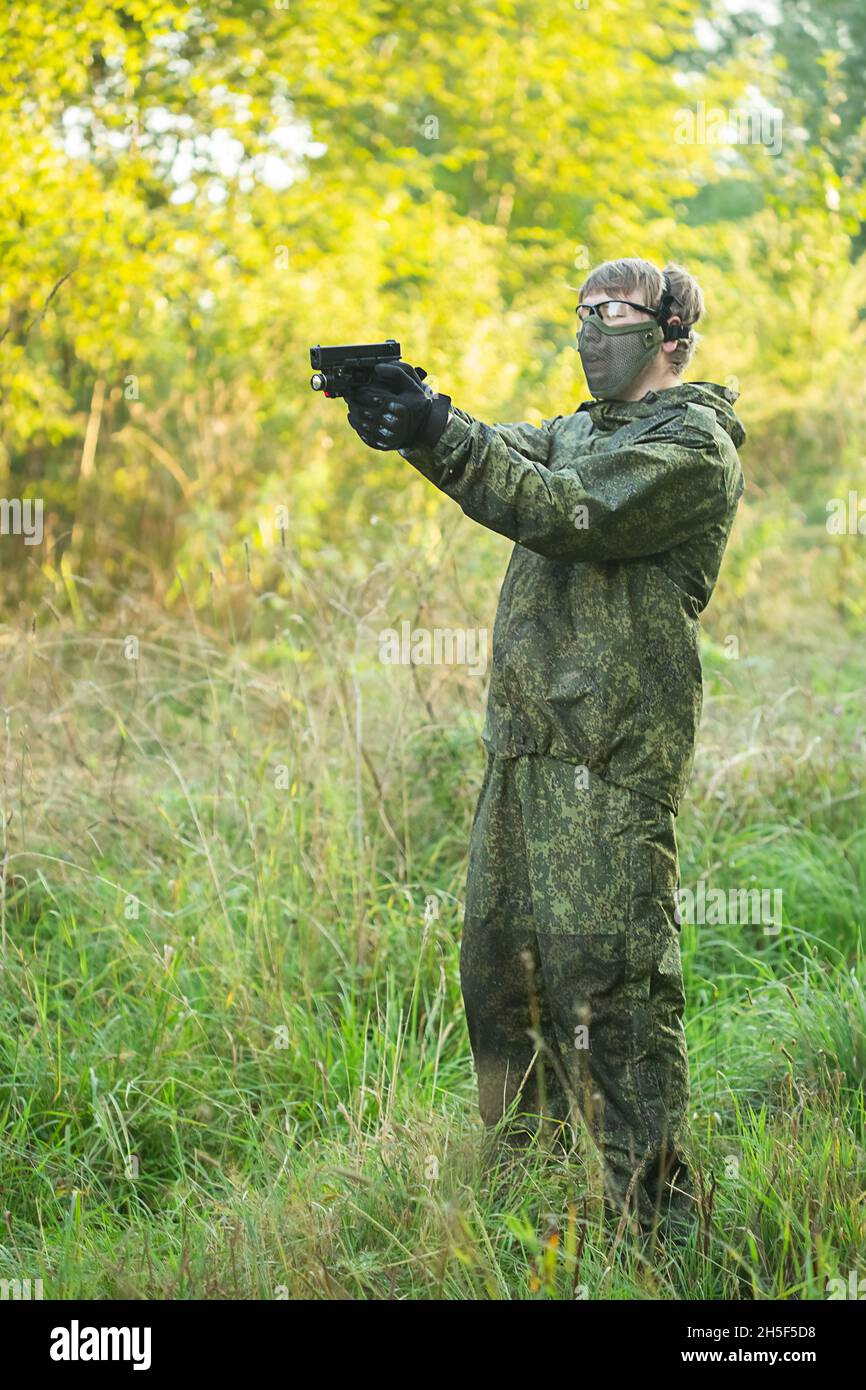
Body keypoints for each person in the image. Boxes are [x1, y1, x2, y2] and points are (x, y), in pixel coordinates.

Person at [344, 258, 746, 1239]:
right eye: (578, 315)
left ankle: (658, 1239)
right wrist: (410, 414)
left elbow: (559, 510)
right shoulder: (574, 430)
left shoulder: (691, 444)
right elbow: (503, 458)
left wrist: (439, 433)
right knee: (503, 987)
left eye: (609, 316)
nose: (587, 333)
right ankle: (530, 1214)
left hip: (609, 759)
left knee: (612, 996)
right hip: (522, 749)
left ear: (668, 333)